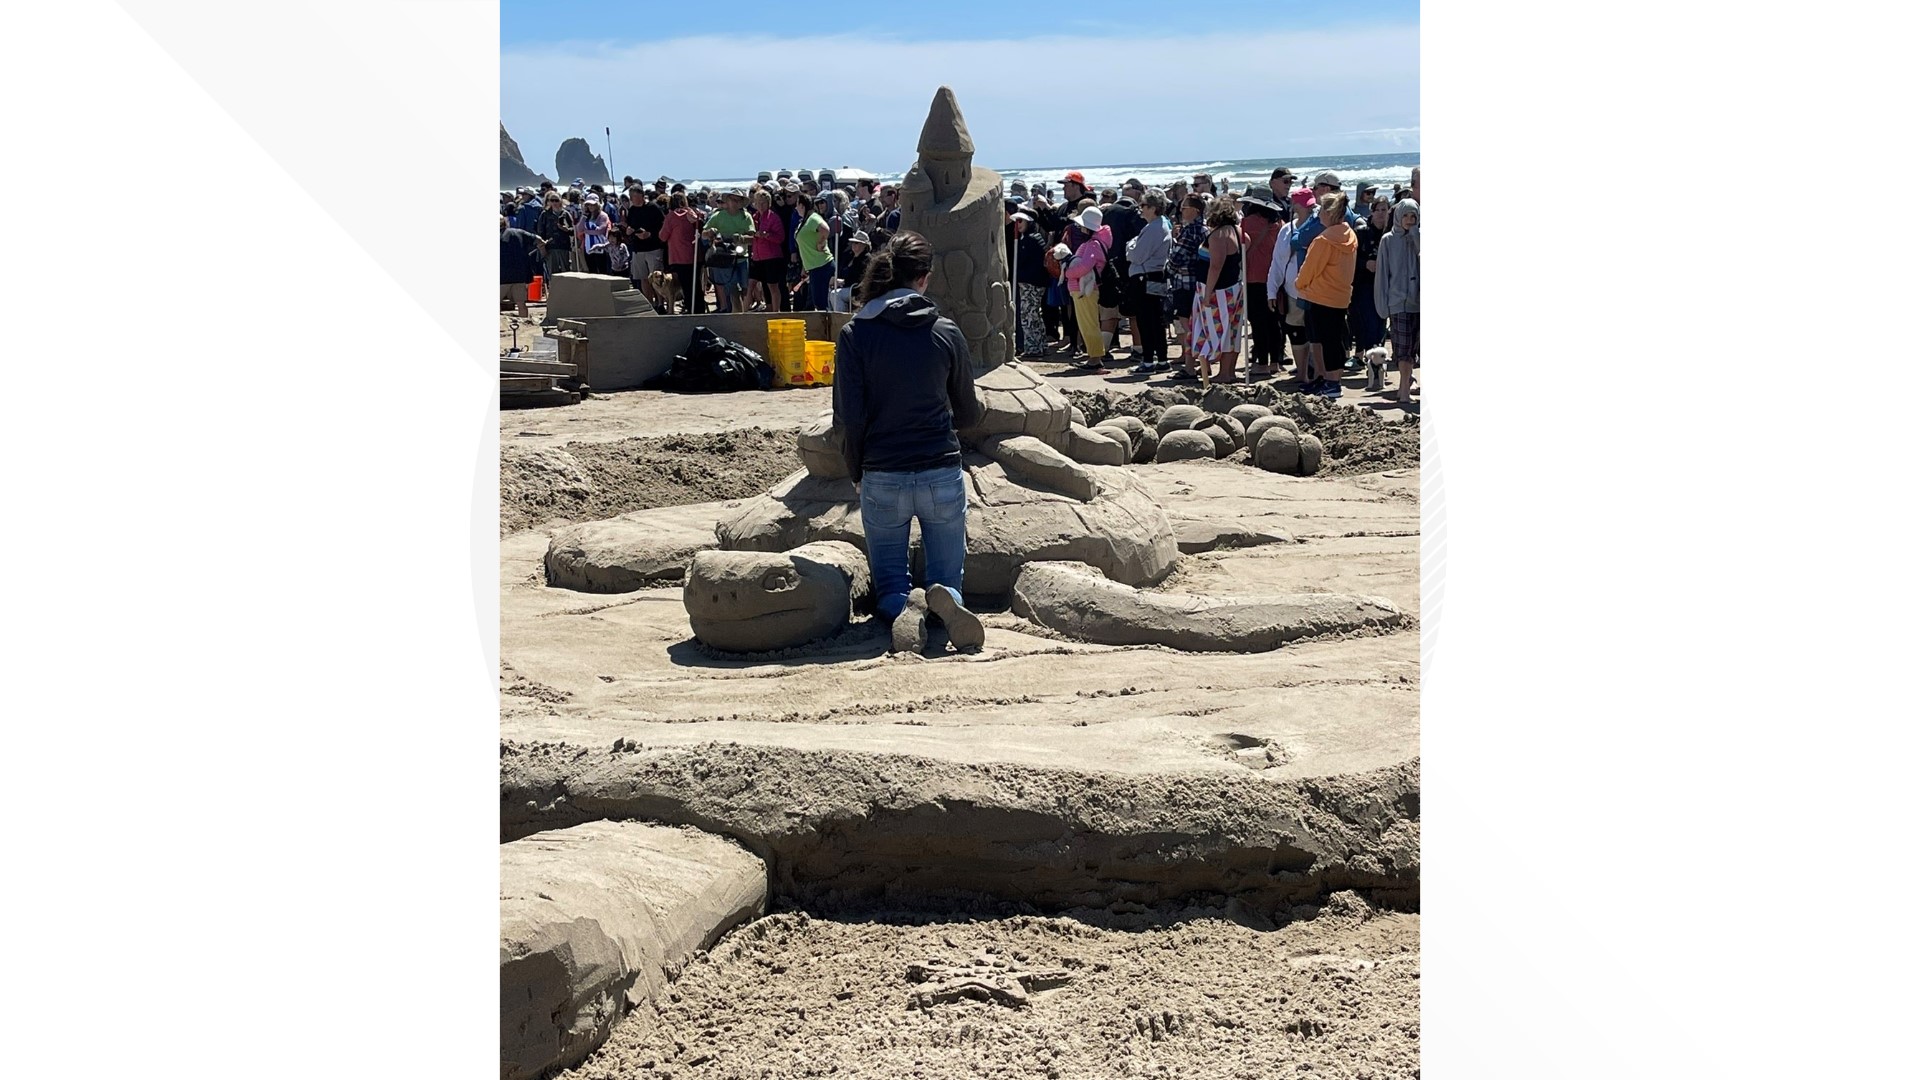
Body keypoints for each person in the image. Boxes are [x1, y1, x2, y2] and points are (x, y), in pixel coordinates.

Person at [831, 231, 986, 655]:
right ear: (925, 278)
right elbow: (969, 414)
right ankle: (946, 604)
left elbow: (849, 418)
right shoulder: (946, 330)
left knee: (890, 583)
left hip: (882, 471)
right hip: (940, 467)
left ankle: (903, 608)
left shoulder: (855, 334)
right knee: (947, 578)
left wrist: (856, 470)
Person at [1295, 193, 1360, 398]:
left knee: (1324, 342)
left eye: (1321, 210)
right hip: (1340, 296)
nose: (1318, 214)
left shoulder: (1324, 240)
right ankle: (1329, 380)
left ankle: (1332, 383)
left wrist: (1299, 285)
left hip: (1321, 297)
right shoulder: (1349, 234)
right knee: (1335, 340)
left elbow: (1309, 269)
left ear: (1329, 212)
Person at [1189, 195, 1246, 383]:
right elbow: (1246, 247)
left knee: (1213, 331)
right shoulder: (1238, 231)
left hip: (1217, 291)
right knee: (1231, 331)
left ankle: (1222, 373)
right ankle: (1228, 372)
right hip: (1234, 288)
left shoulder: (1219, 235)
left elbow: (1215, 266)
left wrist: (1207, 294)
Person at [1373, 198, 1420, 405]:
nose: (1409, 220)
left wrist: (1416, 237)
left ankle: (1406, 386)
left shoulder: (1421, 237)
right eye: (1406, 216)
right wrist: (1382, 303)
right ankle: (1404, 389)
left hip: (1418, 302)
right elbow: (1382, 274)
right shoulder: (1388, 240)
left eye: (1413, 216)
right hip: (1397, 302)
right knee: (1402, 348)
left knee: (1414, 349)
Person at [1237, 186, 1286, 379]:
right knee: (1274, 322)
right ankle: (1275, 362)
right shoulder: (1279, 224)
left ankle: (1262, 363)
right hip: (1275, 278)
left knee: (1258, 323)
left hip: (1253, 277)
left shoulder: (1247, 223)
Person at [1124, 191, 1172, 374]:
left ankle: (1148, 361)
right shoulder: (1159, 225)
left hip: (1145, 277)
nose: (1140, 209)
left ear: (1153, 208)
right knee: (1156, 319)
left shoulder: (1154, 227)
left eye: (1143, 205)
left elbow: (1136, 255)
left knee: (1146, 320)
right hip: (1155, 275)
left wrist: (1131, 246)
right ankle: (1161, 359)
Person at [1062, 206, 1113, 373]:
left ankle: (1095, 359)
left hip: (1084, 289)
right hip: (1085, 288)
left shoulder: (1093, 244)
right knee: (1088, 324)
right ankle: (1094, 358)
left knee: (1088, 325)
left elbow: (1085, 266)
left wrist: (1067, 273)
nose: (1080, 228)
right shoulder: (1097, 242)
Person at [1349, 197, 1392, 375]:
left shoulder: (1392, 233)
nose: (1381, 214)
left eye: (1384, 210)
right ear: (1372, 212)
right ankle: (1370, 361)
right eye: (1378, 210)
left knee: (1381, 324)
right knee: (1366, 323)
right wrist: (1365, 263)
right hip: (1364, 285)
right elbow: (1350, 258)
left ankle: (1377, 363)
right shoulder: (1361, 232)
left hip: (1386, 285)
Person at [1166, 193, 1207, 376]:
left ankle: (1190, 367)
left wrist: (1168, 267)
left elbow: (1177, 257)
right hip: (1199, 283)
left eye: (1184, 208)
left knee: (1189, 326)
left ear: (1194, 210)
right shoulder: (1205, 229)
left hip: (1185, 283)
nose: (1180, 211)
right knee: (1199, 326)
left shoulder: (1191, 231)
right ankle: (1202, 365)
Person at [702, 189, 755, 313]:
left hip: (742, 257)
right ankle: (735, 313)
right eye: (733, 200)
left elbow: (752, 238)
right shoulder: (718, 216)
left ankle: (741, 312)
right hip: (726, 258)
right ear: (728, 201)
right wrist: (710, 232)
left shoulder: (746, 217)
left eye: (738, 200)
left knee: (745, 290)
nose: (735, 203)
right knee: (732, 288)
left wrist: (741, 238)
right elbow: (704, 234)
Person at [1010, 211, 1051, 359]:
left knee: (1028, 315)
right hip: (1035, 282)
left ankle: (1033, 348)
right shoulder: (1035, 237)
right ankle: (1041, 345)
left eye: (1021, 221)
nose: (1018, 224)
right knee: (1034, 314)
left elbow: (1023, 261)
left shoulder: (1029, 240)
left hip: (1030, 283)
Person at [659, 191, 704, 314]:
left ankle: (692, 310)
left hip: (680, 257)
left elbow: (662, 236)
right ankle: (699, 309)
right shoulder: (693, 213)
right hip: (695, 255)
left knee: (686, 286)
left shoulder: (672, 217)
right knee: (696, 285)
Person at [747, 189, 788, 312]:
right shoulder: (754, 217)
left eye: (763, 203)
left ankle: (775, 312)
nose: (761, 205)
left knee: (772, 286)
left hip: (772, 257)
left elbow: (780, 237)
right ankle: (744, 313)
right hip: (757, 257)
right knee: (750, 285)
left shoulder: (773, 217)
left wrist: (767, 235)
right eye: (758, 203)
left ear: (768, 203)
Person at [499, 214, 544, 320]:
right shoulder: (519, 232)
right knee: (521, 303)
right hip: (520, 275)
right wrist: (542, 248)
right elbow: (538, 239)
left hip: (502, 276)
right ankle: (524, 322)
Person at [798, 194, 835, 312]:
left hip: (822, 265)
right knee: (818, 303)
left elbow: (826, 229)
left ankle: (828, 324)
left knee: (821, 304)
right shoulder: (804, 221)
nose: (796, 208)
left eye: (797, 205)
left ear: (802, 205)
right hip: (814, 267)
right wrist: (804, 267)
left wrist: (821, 242)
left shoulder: (813, 218)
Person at [536, 192, 573, 282]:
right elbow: (540, 232)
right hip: (550, 247)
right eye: (551, 200)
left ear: (560, 201)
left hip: (564, 247)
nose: (554, 202)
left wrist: (566, 229)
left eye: (556, 200)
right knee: (552, 273)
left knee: (566, 271)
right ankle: (553, 289)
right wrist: (542, 247)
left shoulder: (566, 214)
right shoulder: (544, 214)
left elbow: (573, 230)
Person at [574, 195, 612, 275]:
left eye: (592, 204)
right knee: (591, 270)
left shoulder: (603, 215)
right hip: (588, 246)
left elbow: (600, 230)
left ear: (597, 204)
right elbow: (579, 229)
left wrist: (586, 231)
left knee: (602, 271)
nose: (590, 206)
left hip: (601, 247)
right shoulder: (586, 216)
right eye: (588, 204)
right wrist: (583, 216)